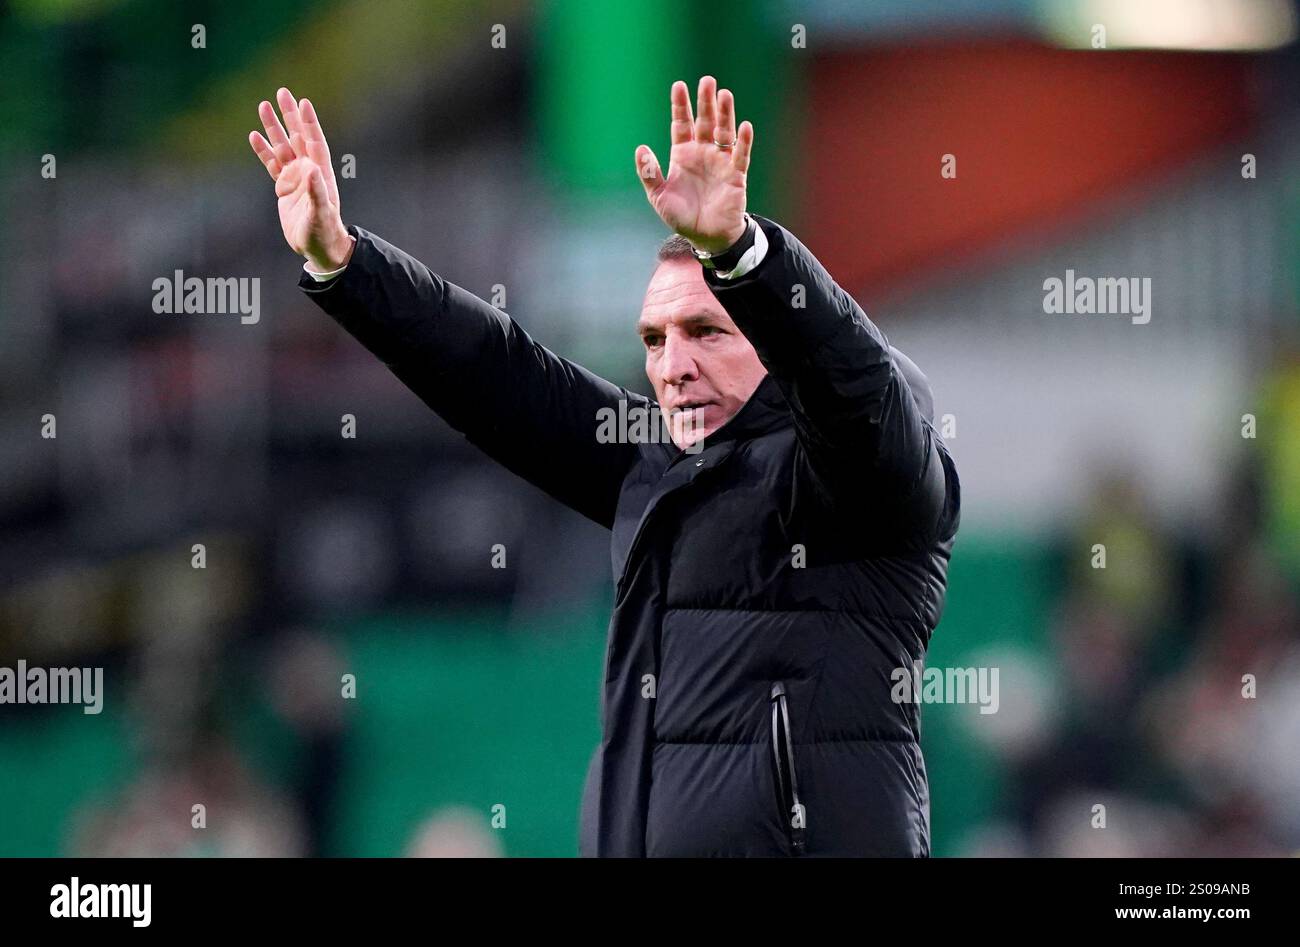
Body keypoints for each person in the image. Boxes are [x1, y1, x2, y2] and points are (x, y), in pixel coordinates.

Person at [249, 76, 960, 856]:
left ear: (770, 335)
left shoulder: (867, 472)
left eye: (706, 331)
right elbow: (502, 374)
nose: (673, 365)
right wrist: (347, 265)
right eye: (655, 340)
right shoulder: (657, 468)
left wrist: (742, 255)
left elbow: (849, 383)